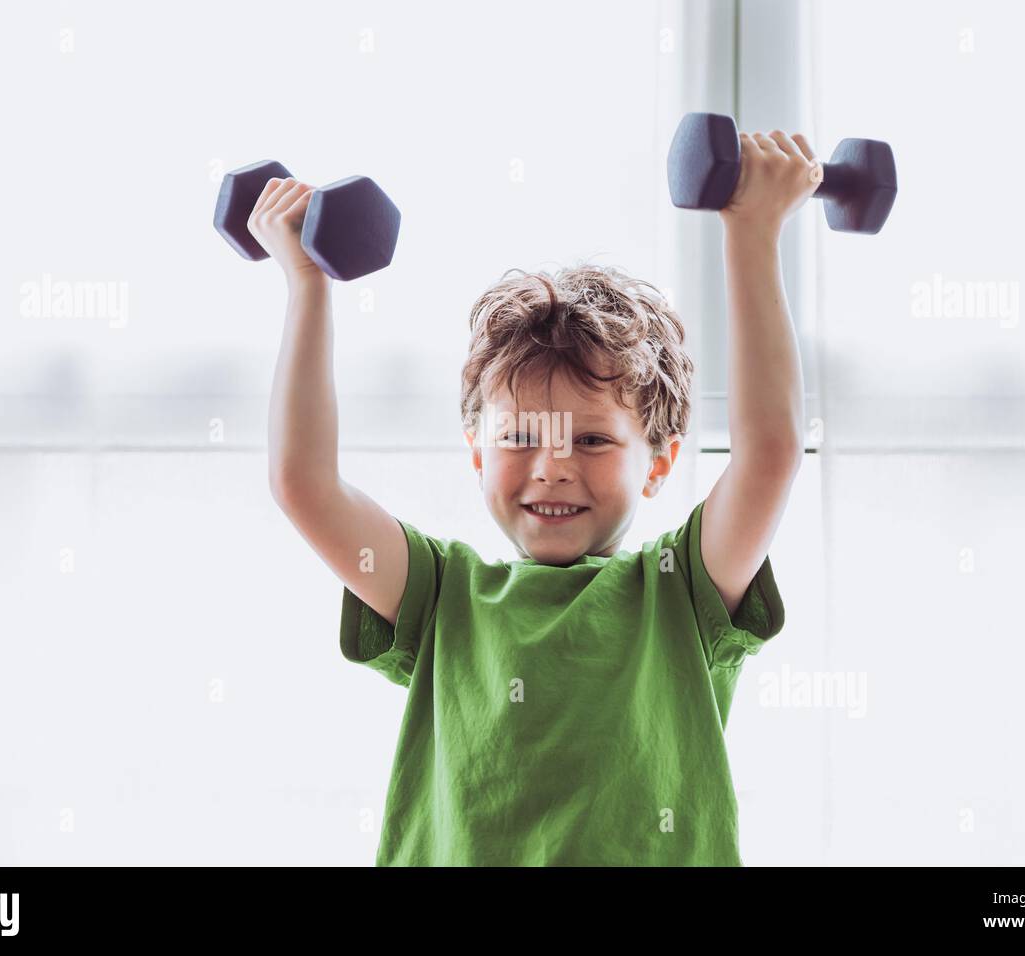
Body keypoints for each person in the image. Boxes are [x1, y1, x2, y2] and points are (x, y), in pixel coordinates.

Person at [251, 130, 820, 865]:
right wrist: (306, 284)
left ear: (659, 463)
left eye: (591, 441)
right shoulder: (442, 597)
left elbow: (770, 454)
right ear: (477, 451)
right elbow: (303, 484)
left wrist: (752, 230)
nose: (552, 467)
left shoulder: (682, 591)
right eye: (520, 439)